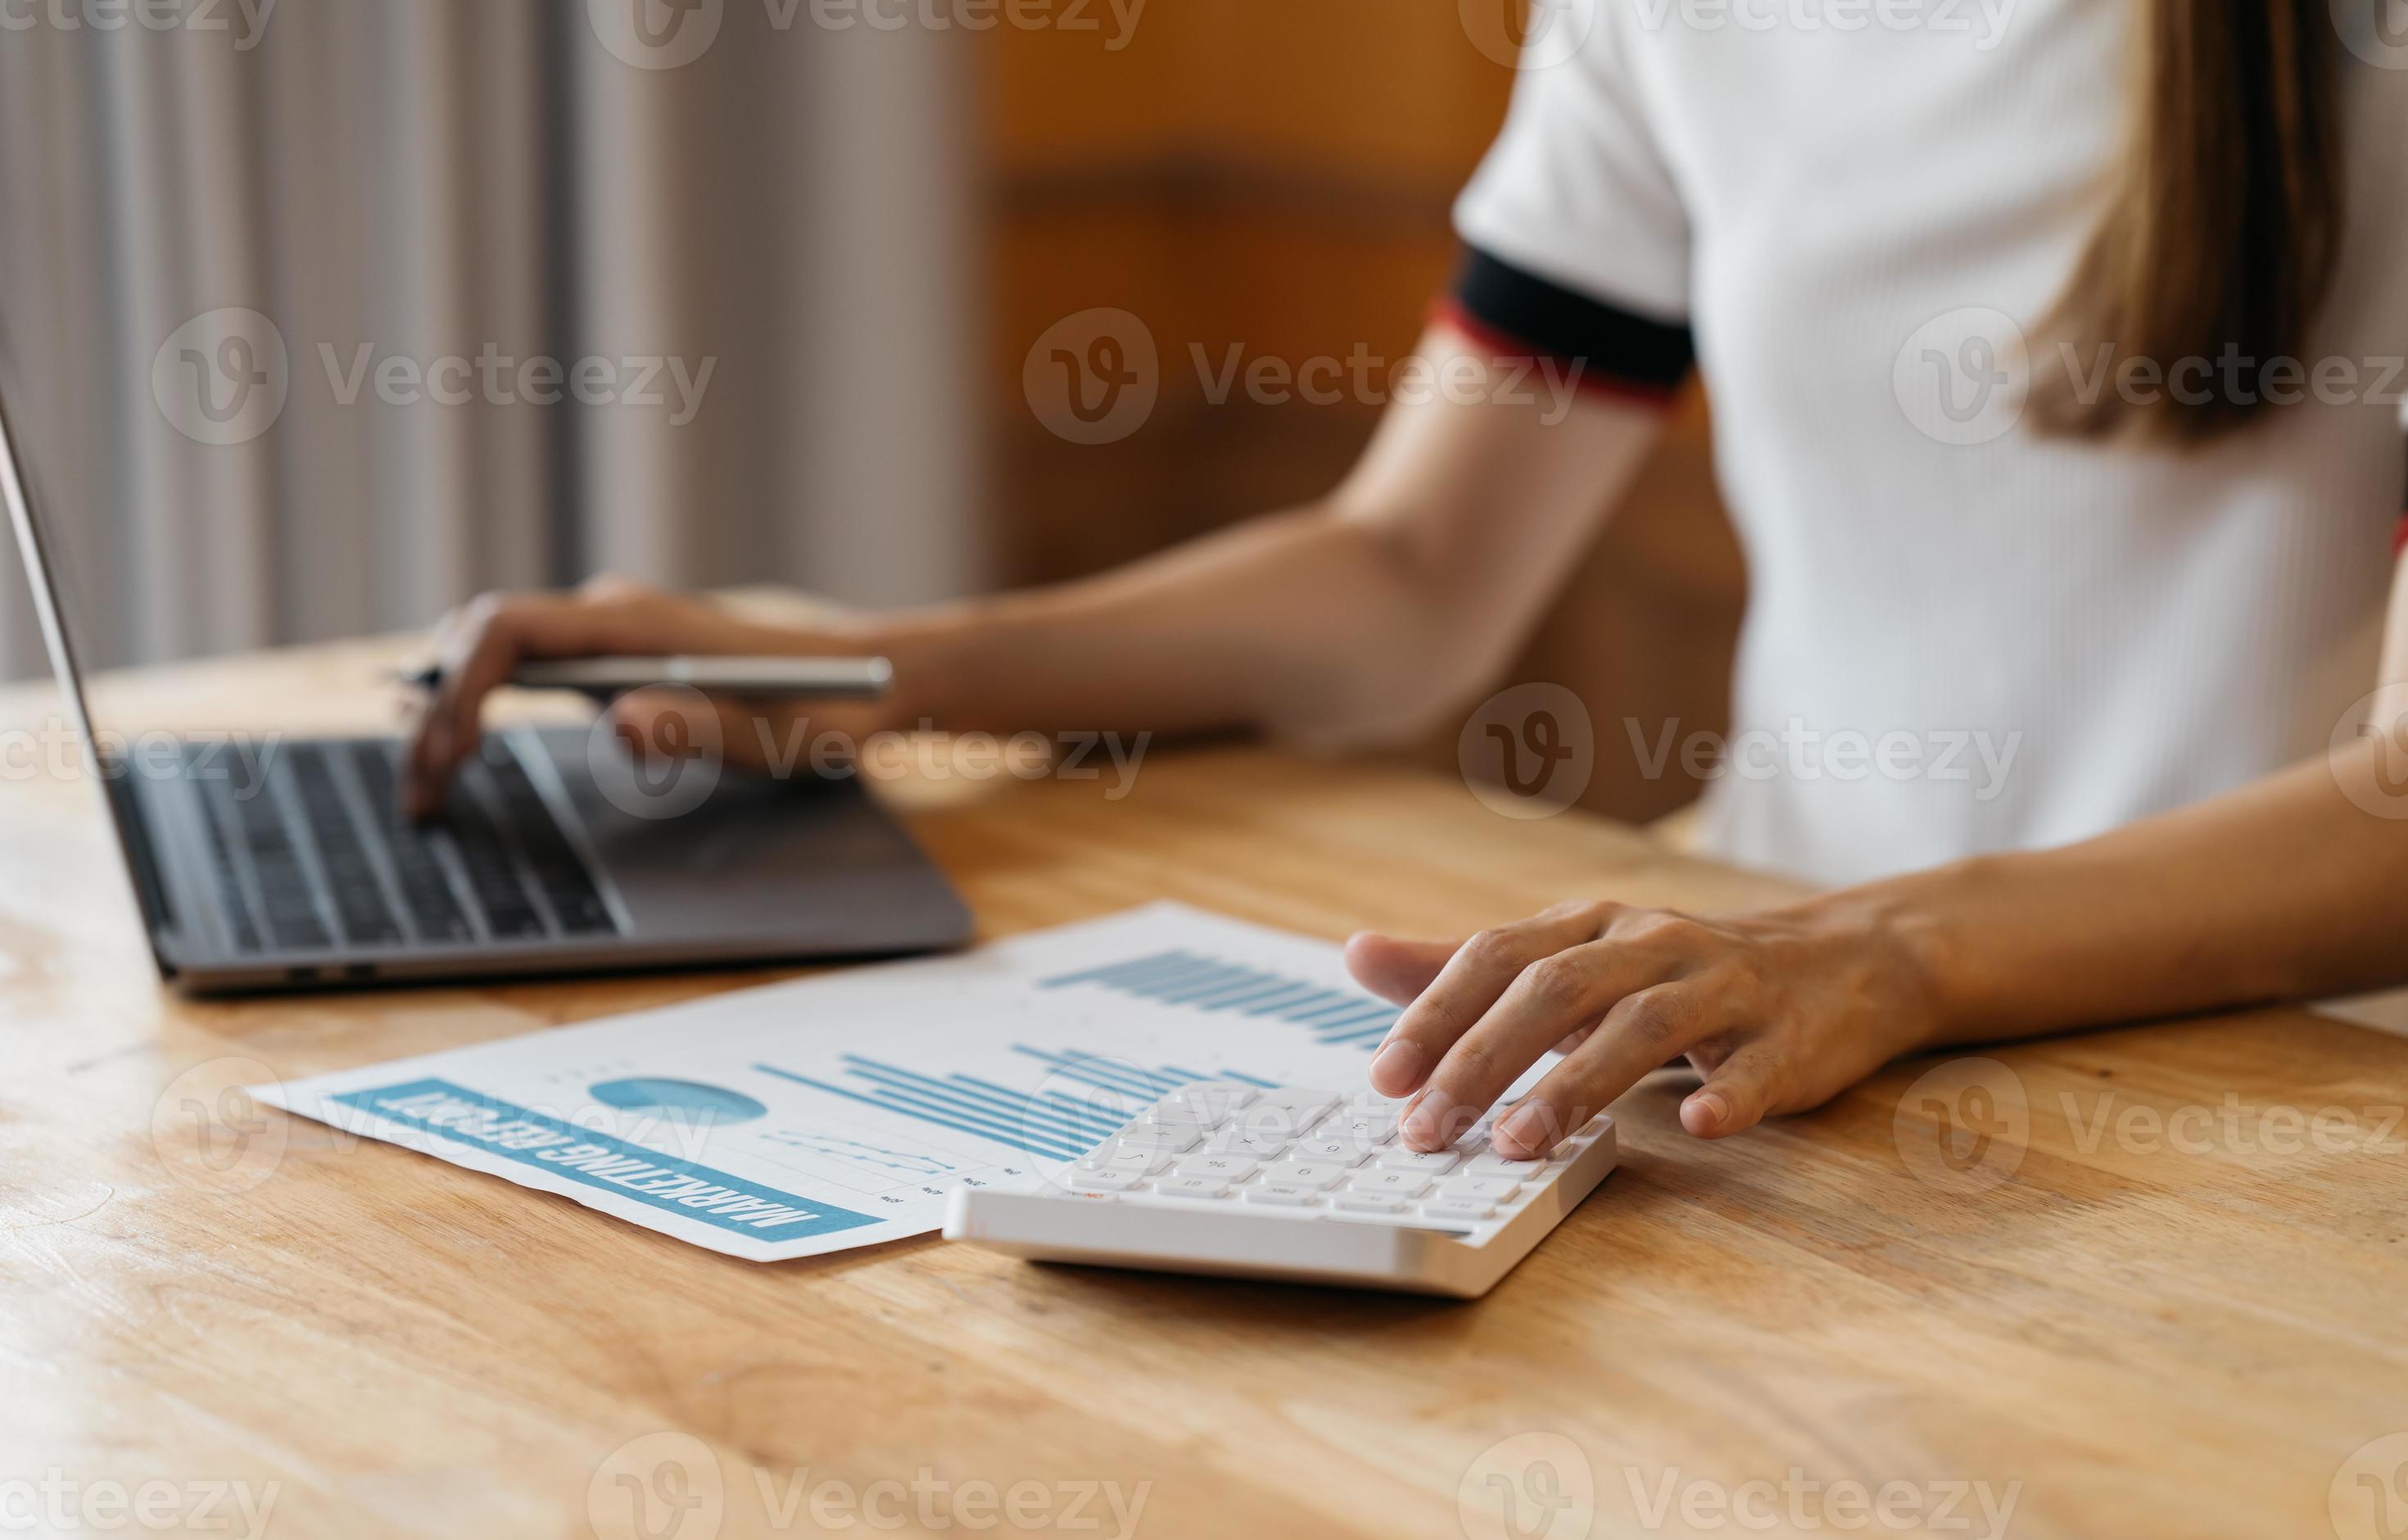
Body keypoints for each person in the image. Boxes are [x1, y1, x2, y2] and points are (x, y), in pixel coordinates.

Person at [405, 0, 2408, 1162]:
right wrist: (865, 671)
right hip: (1750, 1046)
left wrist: (1880, 950)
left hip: (2256, 1087)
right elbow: (1415, 571)